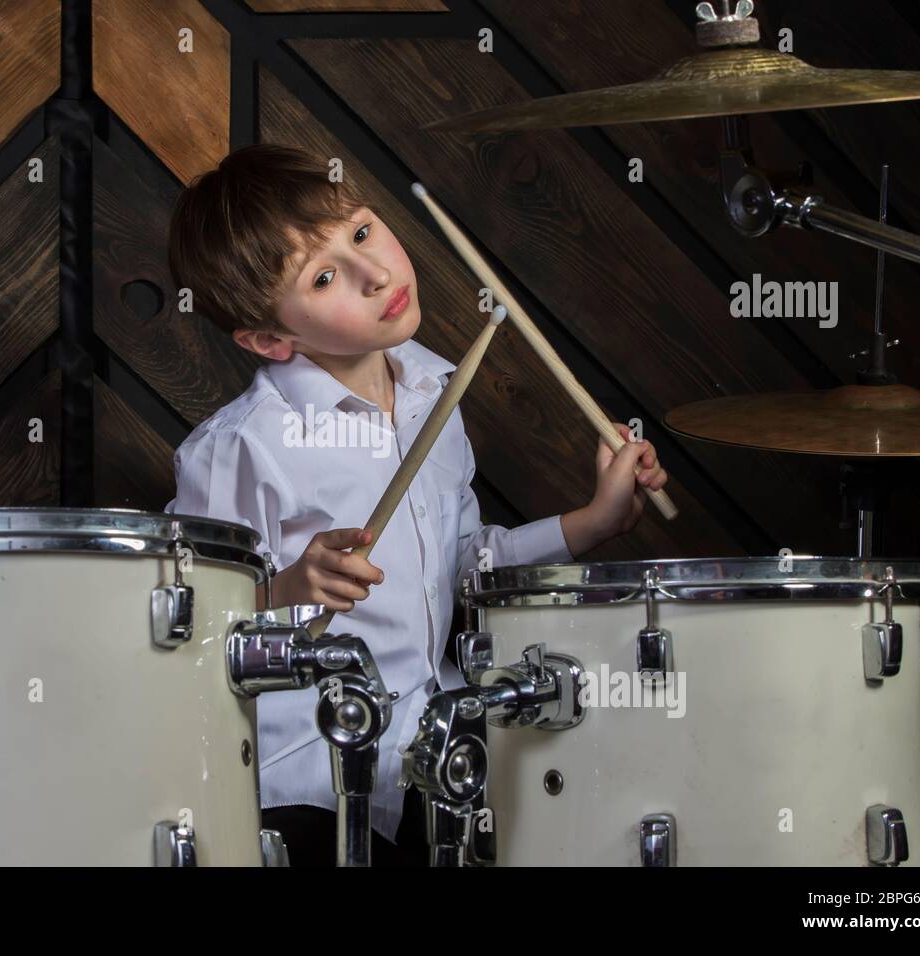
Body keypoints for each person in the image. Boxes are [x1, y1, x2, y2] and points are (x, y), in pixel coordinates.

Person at [163, 143, 668, 866]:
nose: (375, 275)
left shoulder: (436, 393)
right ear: (271, 338)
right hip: (305, 784)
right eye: (327, 276)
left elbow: (466, 564)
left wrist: (594, 521)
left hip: (435, 751)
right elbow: (187, 635)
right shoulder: (240, 449)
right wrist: (284, 590)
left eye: (363, 232)